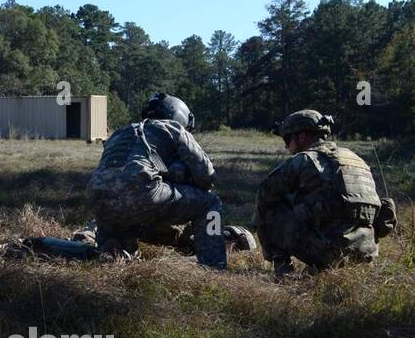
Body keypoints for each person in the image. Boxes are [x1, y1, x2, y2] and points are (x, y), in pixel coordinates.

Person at [85, 92, 227, 269]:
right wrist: (181, 178)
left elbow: (115, 172)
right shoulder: (174, 128)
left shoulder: (121, 132)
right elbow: (207, 177)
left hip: (98, 200)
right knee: (211, 203)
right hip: (143, 195)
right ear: (179, 116)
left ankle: (114, 253)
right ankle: (213, 266)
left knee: (117, 243)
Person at [254, 110, 396, 275]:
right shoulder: (356, 159)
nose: (286, 146)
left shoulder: (303, 160)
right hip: (365, 252)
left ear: (302, 137)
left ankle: (282, 269)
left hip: (326, 252)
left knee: (269, 208)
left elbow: (264, 194)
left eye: (287, 139)